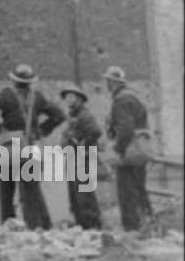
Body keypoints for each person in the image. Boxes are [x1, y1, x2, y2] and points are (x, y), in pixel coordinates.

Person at [0, 64, 64, 230]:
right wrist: (41, 130)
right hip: (29, 145)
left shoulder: (5, 95)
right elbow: (59, 115)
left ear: (14, 80)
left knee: (6, 188)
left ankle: (8, 223)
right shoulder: (37, 97)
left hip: (7, 146)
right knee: (31, 188)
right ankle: (36, 225)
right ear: (31, 82)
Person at [104, 66, 153, 232]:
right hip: (140, 150)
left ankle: (132, 229)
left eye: (108, 82)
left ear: (111, 82)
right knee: (139, 188)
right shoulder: (134, 97)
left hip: (129, 152)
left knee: (126, 191)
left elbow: (125, 129)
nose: (106, 85)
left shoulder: (120, 101)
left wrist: (118, 149)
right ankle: (148, 225)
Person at [59, 84, 103, 229]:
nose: (68, 100)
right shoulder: (73, 116)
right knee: (75, 196)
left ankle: (92, 227)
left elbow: (95, 132)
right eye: (67, 98)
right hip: (73, 160)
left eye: (71, 97)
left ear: (79, 99)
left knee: (84, 196)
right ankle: (82, 225)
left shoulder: (84, 115)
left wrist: (83, 148)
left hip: (82, 161)